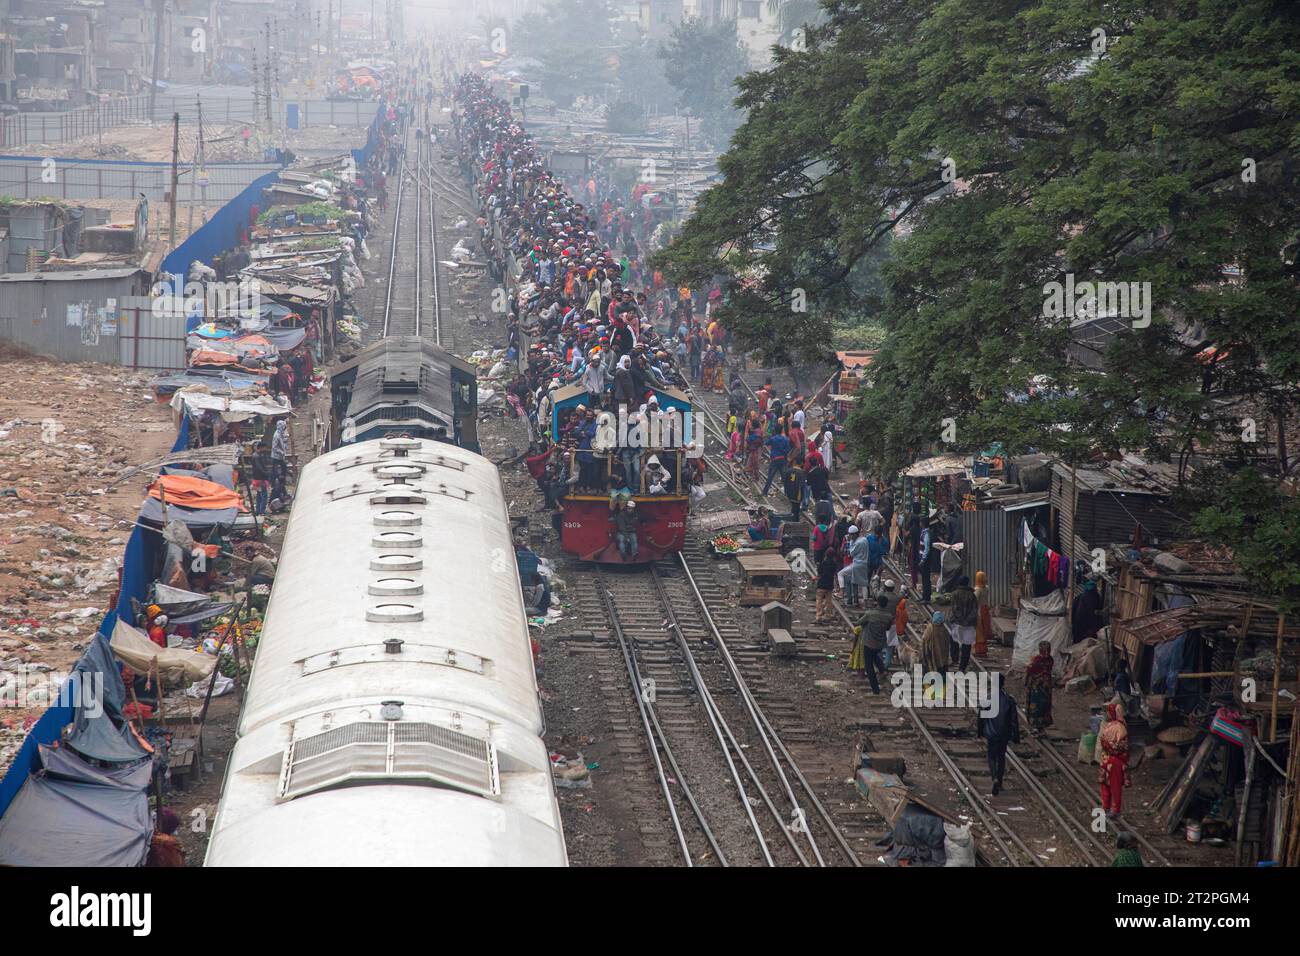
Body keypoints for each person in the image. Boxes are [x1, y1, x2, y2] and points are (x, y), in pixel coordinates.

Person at [978, 685, 1020, 796]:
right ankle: (999, 782)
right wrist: (1015, 736)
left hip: (991, 734)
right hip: (1004, 734)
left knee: (991, 756)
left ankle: (994, 778)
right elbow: (1014, 719)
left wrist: (980, 732)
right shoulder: (1009, 700)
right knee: (1001, 757)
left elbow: (981, 717)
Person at [851, 595, 892, 694]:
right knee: (875, 656)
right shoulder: (889, 616)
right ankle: (882, 670)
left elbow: (858, 623)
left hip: (868, 642)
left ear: (877, 602)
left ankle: (875, 689)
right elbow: (887, 628)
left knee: (869, 666)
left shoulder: (870, 613)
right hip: (880, 643)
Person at [1098, 701, 1130, 817]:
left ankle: (1106, 807)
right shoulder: (1121, 727)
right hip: (1116, 761)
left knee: (1105, 785)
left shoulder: (1110, 726)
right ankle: (1114, 809)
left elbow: (1104, 742)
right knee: (1115, 786)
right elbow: (1123, 747)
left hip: (1106, 759)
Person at [948, 575, 978, 670]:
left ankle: (955, 659)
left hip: (957, 622)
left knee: (954, 641)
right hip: (969, 625)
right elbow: (974, 610)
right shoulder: (972, 595)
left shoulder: (954, 594)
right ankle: (962, 667)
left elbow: (955, 608)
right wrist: (967, 620)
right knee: (966, 645)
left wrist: (960, 619)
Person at [1025, 640, 1055, 731]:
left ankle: (1036, 724)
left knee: (1036, 705)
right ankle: (1043, 724)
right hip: (1046, 687)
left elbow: (1030, 670)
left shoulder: (1037, 659)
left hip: (1037, 687)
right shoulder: (1050, 659)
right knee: (1045, 705)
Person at [1072, 578, 1104, 642]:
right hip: (1090, 626)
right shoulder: (1096, 597)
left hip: (1079, 624)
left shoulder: (1080, 597)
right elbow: (1099, 612)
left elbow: (1073, 609)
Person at [761, 428, 792, 495]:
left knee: (770, 476)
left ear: (775, 431)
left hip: (775, 459)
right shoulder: (785, 439)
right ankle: (787, 492)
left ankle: (765, 492)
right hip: (782, 459)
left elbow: (766, 443)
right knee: (784, 477)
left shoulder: (773, 439)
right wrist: (784, 453)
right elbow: (789, 449)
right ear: (781, 431)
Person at [815, 550, 838, 625]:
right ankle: (827, 616)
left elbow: (819, 572)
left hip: (821, 584)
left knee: (819, 600)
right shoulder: (834, 564)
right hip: (829, 585)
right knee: (828, 601)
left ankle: (819, 616)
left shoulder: (822, 564)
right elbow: (834, 573)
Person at [973, 569, 992, 657]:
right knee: (985, 629)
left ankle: (979, 650)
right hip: (985, 610)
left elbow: (975, 601)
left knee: (979, 631)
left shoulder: (977, 590)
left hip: (979, 611)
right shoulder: (987, 588)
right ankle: (984, 649)